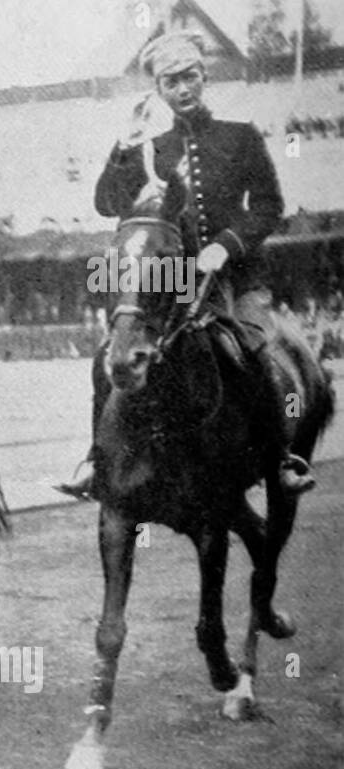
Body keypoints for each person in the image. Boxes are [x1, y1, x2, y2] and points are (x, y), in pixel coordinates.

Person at [57, 32, 313, 501]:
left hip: (236, 274)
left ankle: (279, 461)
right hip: (171, 277)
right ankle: (97, 462)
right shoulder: (151, 146)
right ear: (159, 89)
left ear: (205, 77)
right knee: (108, 355)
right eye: (170, 82)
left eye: (190, 77)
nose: (182, 88)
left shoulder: (241, 136)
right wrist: (123, 147)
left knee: (255, 351)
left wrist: (226, 246)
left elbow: (269, 206)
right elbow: (107, 203)